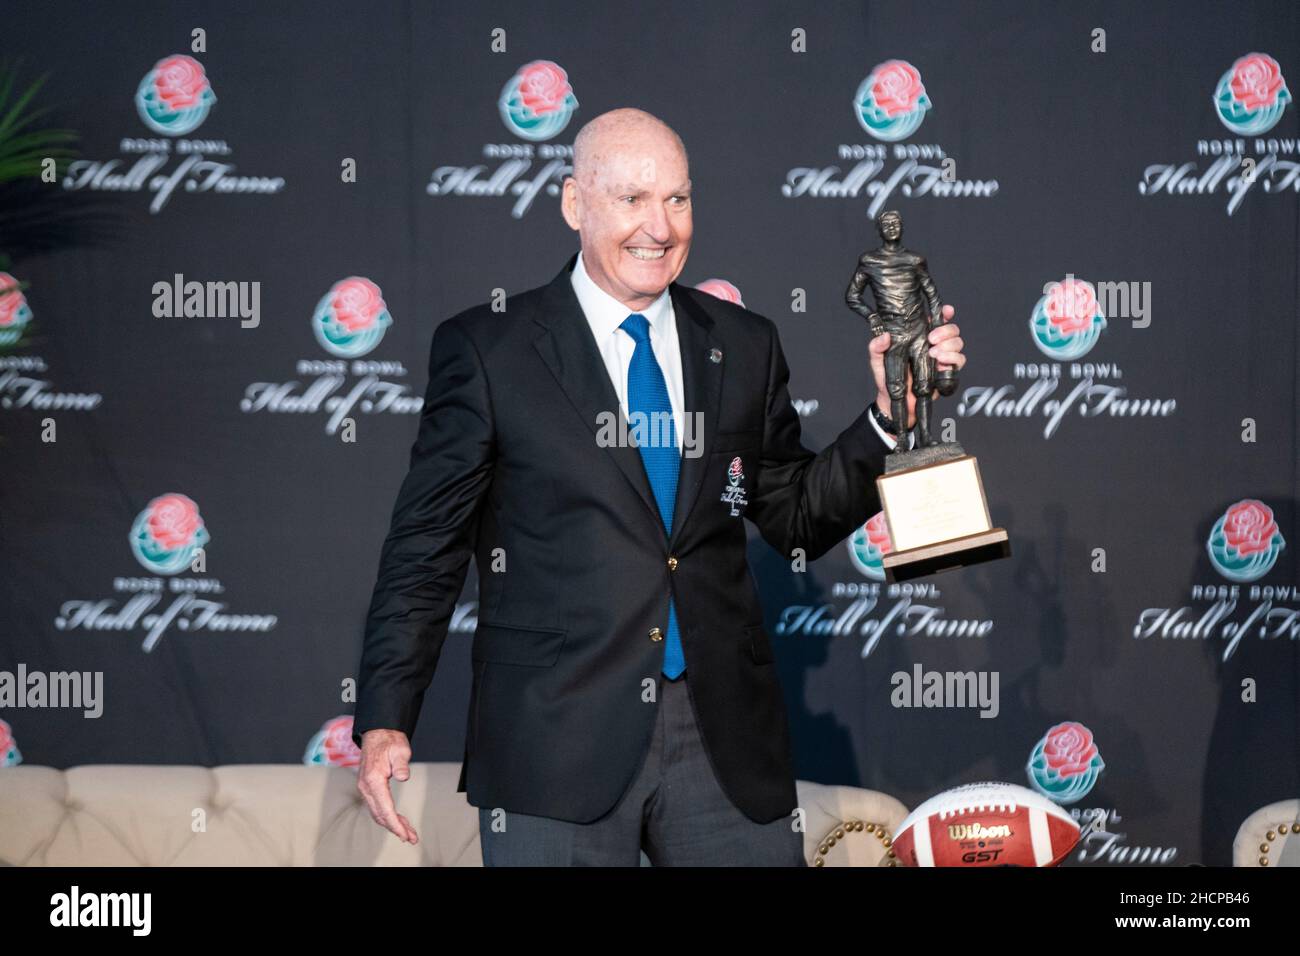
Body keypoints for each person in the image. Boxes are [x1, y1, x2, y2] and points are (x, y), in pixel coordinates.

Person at [351, 107, 965, 865]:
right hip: (554, 744)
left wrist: (887, 418)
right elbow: (426, 548)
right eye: (632, 199)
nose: (661, 226)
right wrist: (384, 715)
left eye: (677, 199)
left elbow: (796, 516)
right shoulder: (489, 348)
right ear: (576, 204)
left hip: (724, 745)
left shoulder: (742, 343)